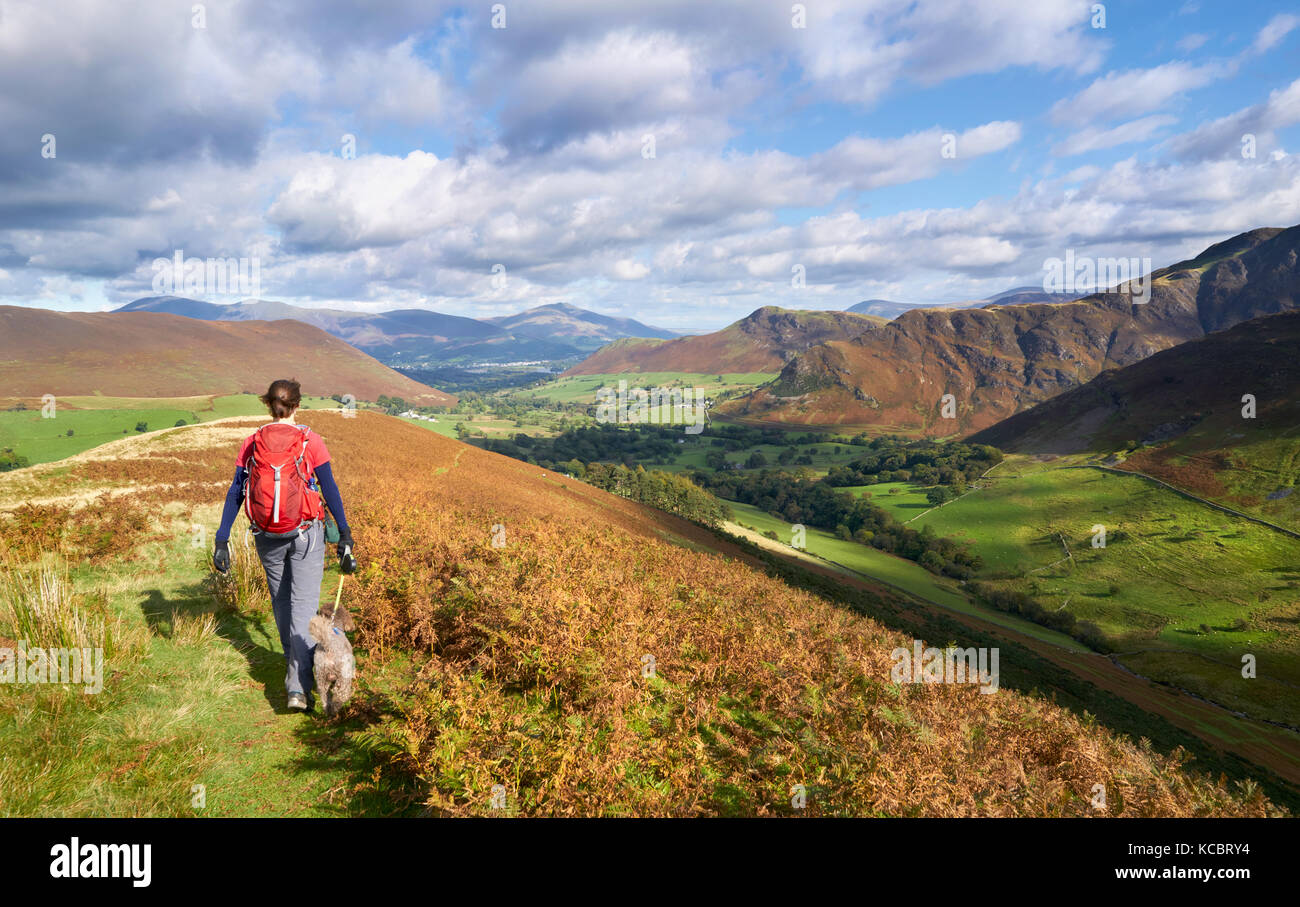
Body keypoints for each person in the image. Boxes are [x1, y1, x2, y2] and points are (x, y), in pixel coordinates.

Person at [212, 379, 356, 712]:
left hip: (266, 536)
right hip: (306, 533)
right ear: (297, 405)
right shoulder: (310, 440)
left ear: (268, 405)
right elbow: (330, 489)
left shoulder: (252, 443)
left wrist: (222, 538)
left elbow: (236, 491)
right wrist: (345, 535)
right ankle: (297, 688)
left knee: (281, 602)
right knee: (303, 608)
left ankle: (295, 671)